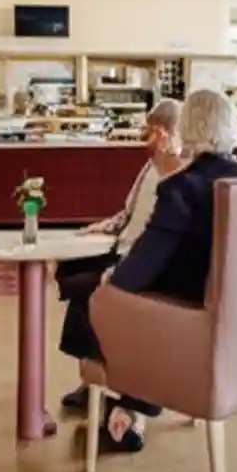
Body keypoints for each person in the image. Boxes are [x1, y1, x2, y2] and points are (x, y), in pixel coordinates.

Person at [69, 89, 237, 453]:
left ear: (186, 128)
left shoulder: (181, 187)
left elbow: (135, 273)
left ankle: (128, 396)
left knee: (96, 292)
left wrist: (112, 278)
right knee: (89, 286)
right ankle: (127, 399)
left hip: (188, 317)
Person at [54, 99, 183, 411]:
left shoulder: (176, 173)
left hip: (138, 260)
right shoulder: (150, 166)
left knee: (83, 288)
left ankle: (110, 384)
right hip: (123, 246)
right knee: (69, 268)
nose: (143, 138)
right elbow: (130, 211)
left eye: (148, 131)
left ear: (161, 133)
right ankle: (92, 374)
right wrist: (103, 226)